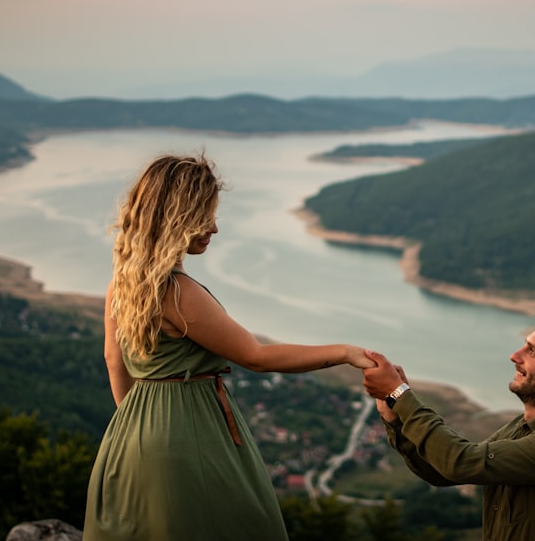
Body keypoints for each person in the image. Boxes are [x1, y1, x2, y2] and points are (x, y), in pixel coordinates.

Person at [84, 154, 373, 541]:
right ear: (177, 218)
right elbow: (256, 356)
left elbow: (113, 360)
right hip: (187, 436)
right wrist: (343, 352)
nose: (215, 228)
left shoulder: (122, 284)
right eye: (205, 216)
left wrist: (140, 425)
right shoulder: (179, 292)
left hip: (129, 435)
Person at [363, 304, 535, 541]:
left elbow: (461, 462)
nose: (515, 356)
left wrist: (400, 394)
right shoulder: (520, 427)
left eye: (532, 351)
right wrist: (395, 417)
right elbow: (444, 472)